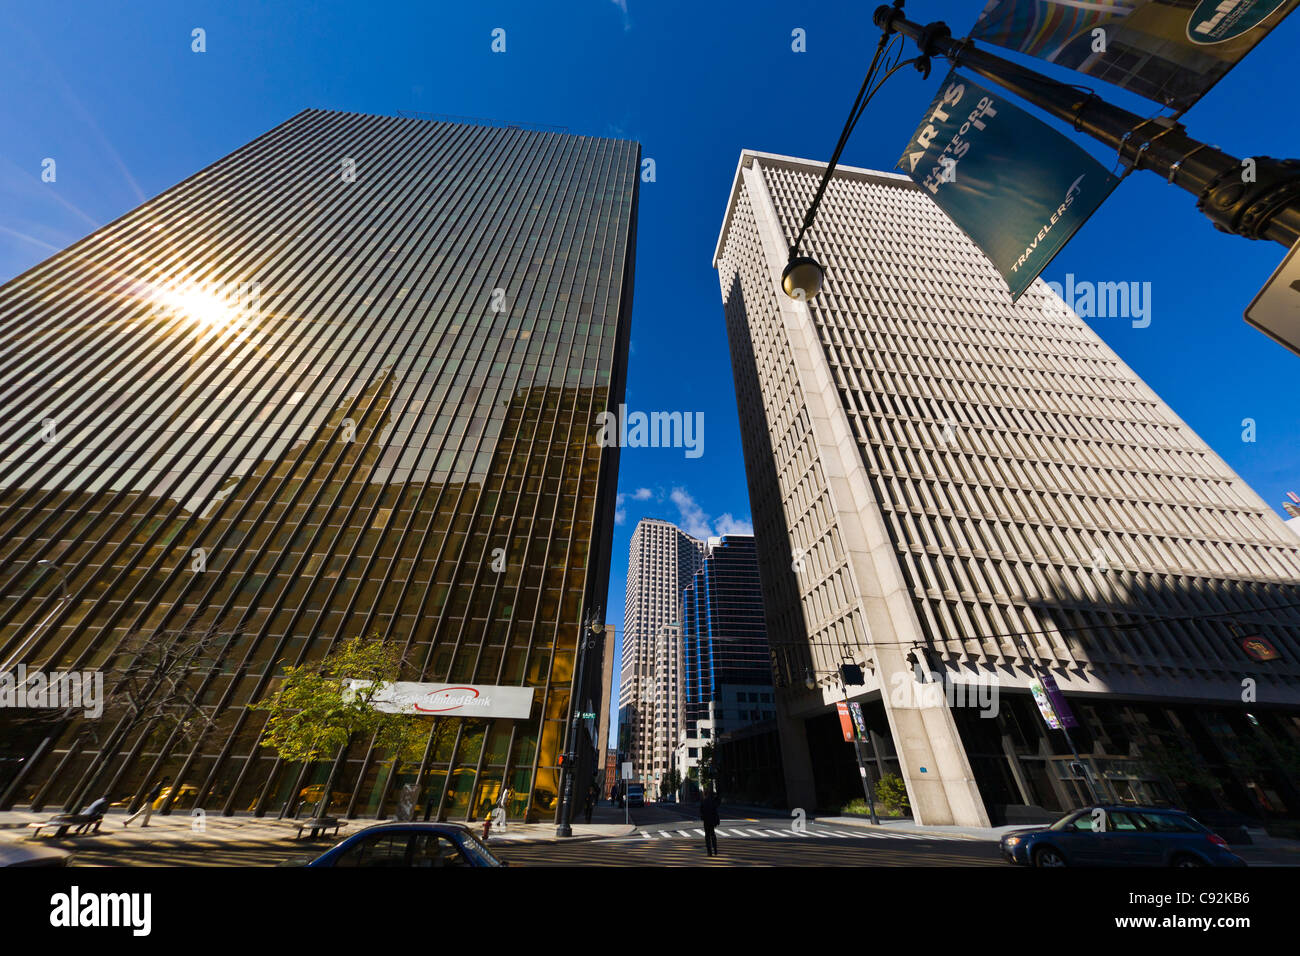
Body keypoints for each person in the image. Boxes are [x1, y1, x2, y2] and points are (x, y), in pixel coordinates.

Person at [700, 788, 721, 857]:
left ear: (705, 794)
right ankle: (715, 850)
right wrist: (717, 821)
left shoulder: (703, 802)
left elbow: (701, 812)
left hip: (706, 821)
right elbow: (716, 811)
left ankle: (709, 852)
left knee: (707, 836)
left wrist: (703, 818)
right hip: (712, 821)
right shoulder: (712, 801)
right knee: (713, 835)